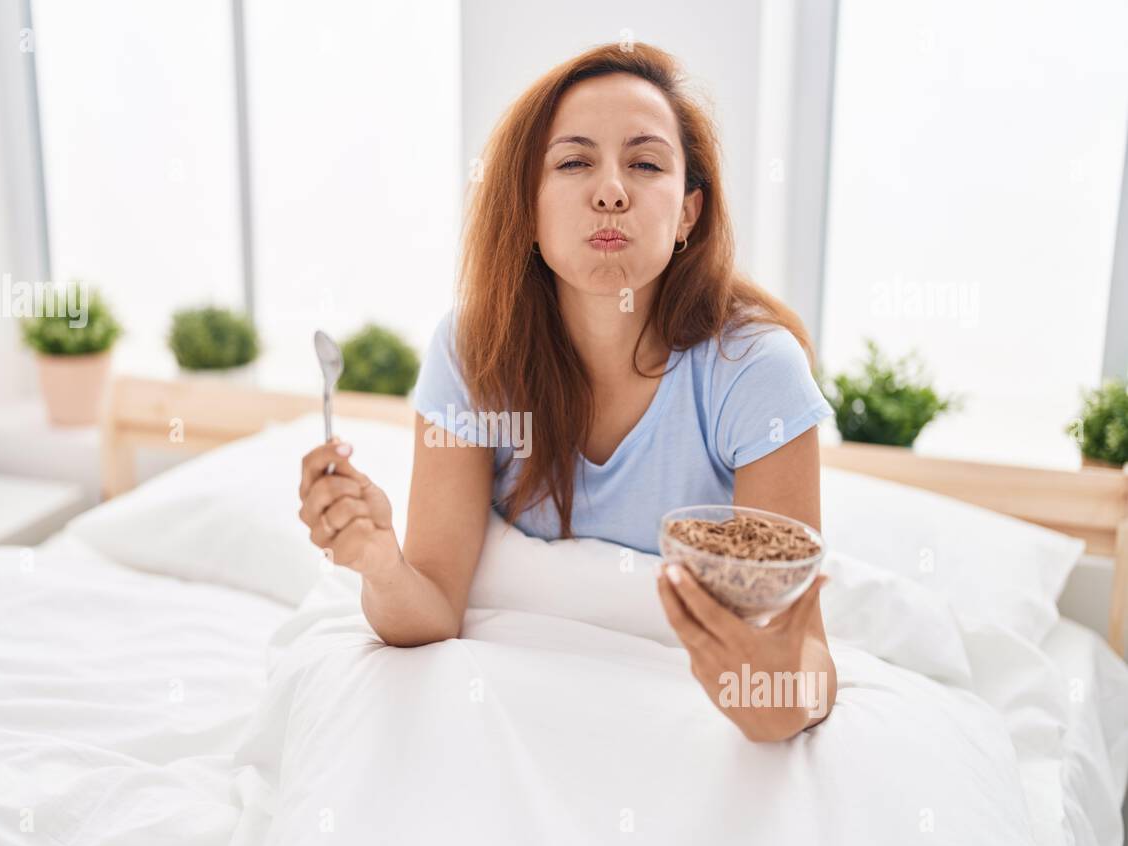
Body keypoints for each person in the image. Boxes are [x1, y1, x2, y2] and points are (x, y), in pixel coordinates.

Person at [297, 42, 836, 742]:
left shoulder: (757, 369)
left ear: (688, 215)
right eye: (575, 161)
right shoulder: (473, 351)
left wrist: (772, 696)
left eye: (645, 164)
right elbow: (429, 611)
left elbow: (807, 651)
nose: (611, 190)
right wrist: (378, 564)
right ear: (527, 206)